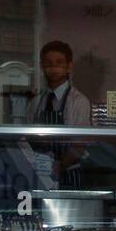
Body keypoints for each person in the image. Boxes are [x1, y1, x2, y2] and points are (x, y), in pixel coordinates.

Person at [29, 40, 92, 188]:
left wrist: (59, 166)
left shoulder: (78, 101)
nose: (53, 68)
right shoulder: (37, 101)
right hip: (41, 176)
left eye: (59, 63)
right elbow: (30, 136)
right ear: (42, 66)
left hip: (70, 174)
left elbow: (80, 144)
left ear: (69, 66)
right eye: (48, 63)